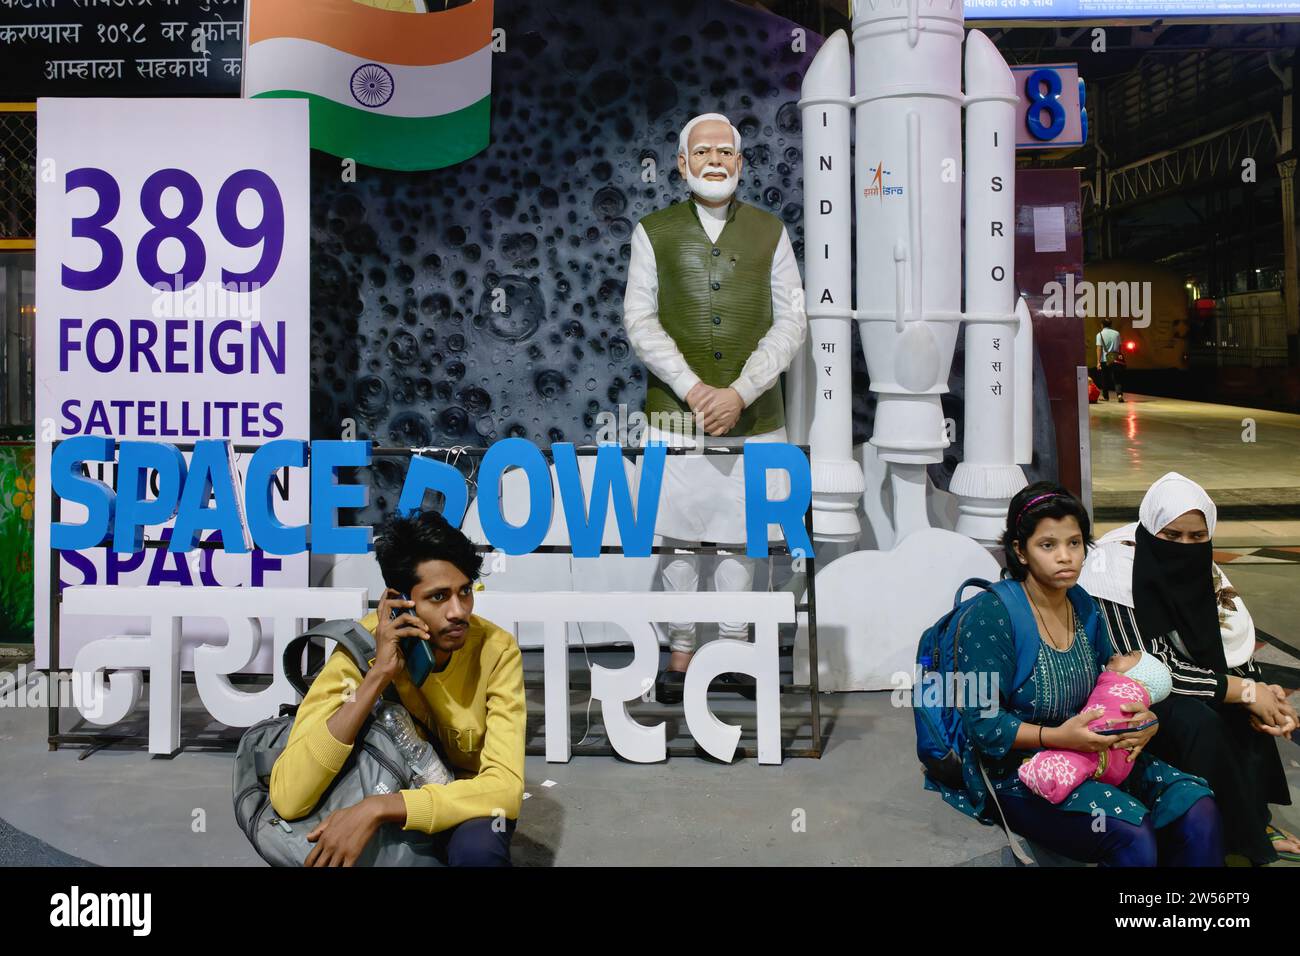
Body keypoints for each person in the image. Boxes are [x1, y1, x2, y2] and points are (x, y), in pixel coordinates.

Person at [930, 481, 1223, 866]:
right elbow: (985, 725)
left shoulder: (1081, 605)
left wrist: (1144, 719)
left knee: (1196, 806)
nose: (1066, 557)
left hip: (1093, 751)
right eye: (1048, 545)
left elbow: (1113, 684)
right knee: (1130, 834)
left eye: (1074, 543)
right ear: (1020, 550)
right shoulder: (990, 617)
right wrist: (1057, 737)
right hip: (1021, 769)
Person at [622, 112, 806, 704]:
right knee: (674, 537)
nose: (715, 160)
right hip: (673, 417)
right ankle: (680, 653)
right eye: (703, 152)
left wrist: (740, 393)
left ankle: (729, 651)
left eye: (726, 151)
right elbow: (639, 319)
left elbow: (792, 321)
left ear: (741, 163)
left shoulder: (771, 232)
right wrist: (694, 389)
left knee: (740, 536)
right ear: (682, 164)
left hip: (754, 420)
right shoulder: (652, 231)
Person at [269, 510, 526, 866]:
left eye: (465, 591)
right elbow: (288, 797)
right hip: (378, 783)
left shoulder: (495, 650)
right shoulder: (359, 650)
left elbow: (506, 789)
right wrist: (378, 676)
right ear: (399, 601)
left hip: (459, 800)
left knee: (479, 852)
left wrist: (382, 808)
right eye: (438, 597)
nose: (458, 611)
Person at [1079, 472, 1300, 864]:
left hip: (1186, 676)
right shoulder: (1112, 570)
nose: (1186, 546)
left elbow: (1229, 645)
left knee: (1238, 704)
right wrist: (1244, 692)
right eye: (1172, 535)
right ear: (1151, 531)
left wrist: (1264, 692)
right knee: (1200, 720)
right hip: (1134, 691)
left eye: (1197, 537)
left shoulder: (1208, 573)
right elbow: (1148, 666)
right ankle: (1234, 832)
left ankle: (1253, 818)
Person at [1017, 648, 1172, 804]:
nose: (1116, 653)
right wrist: (1057, 736)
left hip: (1099, 745)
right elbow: (991, 716)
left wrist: (1152, 723)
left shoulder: (1123, 688)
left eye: (1127, 655)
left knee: (1185, 795)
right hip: (1117, 763)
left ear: (1141, 675)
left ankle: (1048, 779)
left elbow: (1117, 718)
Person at [1095, 317, 1124, 401]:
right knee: (1117, 378)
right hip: (1115, 358)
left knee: (1105, 378)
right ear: (1111, 325)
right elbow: (1119, 347)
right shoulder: (1117, 333)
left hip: (1105, 359)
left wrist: (1098, 361)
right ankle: (1119, 395)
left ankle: (1105, 396)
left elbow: (1099, 348)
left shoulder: (1099, 334)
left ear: (1102, 325)